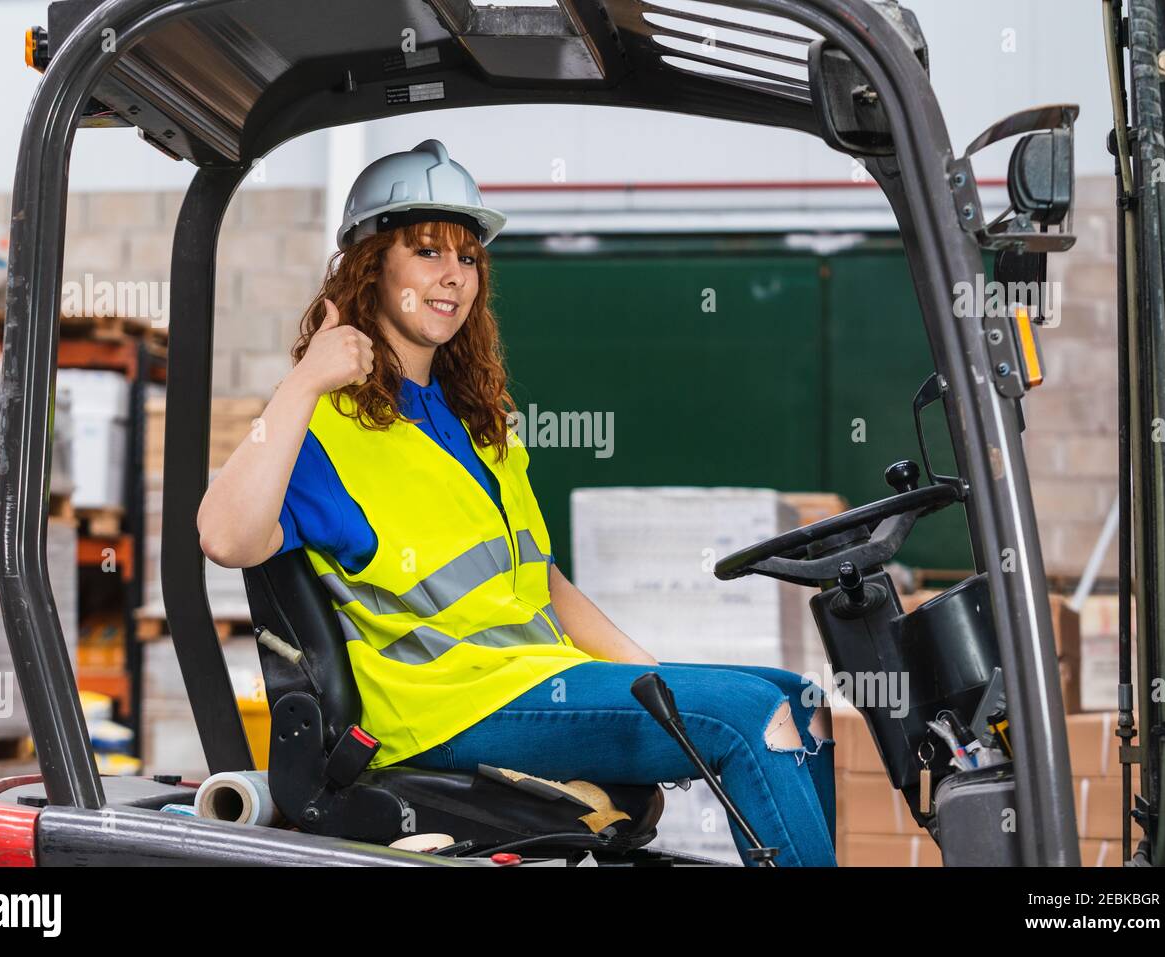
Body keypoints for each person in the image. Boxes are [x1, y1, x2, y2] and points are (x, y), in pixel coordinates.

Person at [196, 139, 837, 866]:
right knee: (752, 715)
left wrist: (653, 677)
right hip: (449, 706)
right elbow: (224, 536)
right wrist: (305, 381)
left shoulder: (478, 422)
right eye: (428, 252)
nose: (453, 277)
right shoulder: (327, 428)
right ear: (373, 267)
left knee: (798, 699)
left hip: (536, 681)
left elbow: (546, 584)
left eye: (468, 259)